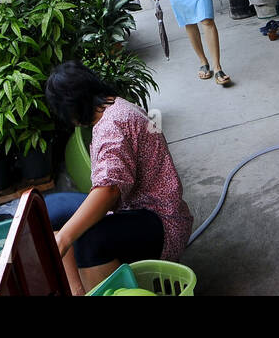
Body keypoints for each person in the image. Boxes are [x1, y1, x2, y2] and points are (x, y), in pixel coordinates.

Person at [45, 61, 192, 296]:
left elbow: (109, 191)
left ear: (71, 109)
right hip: (147, 211)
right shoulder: (119, 106)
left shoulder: (111, 125)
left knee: (88, 240)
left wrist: (63, 239)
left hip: (162, 222)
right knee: (59, 215)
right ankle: (78, 291)